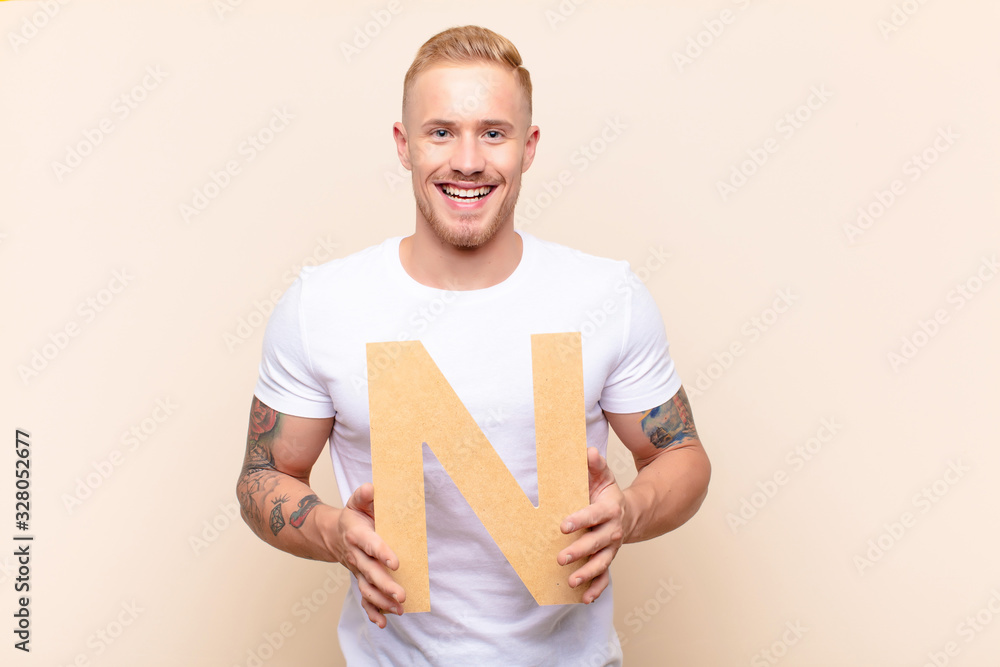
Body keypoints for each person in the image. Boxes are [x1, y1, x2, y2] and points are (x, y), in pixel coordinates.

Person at [237, 25, 710, 666]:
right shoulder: (322, 305)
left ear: (529, 146)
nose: (467, 160)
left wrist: (629, 511)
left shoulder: (608, 297)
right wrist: (330, 531)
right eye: (441, 132)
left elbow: (680, 455)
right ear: (404, 145)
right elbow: (263, 477)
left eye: (493, 132)